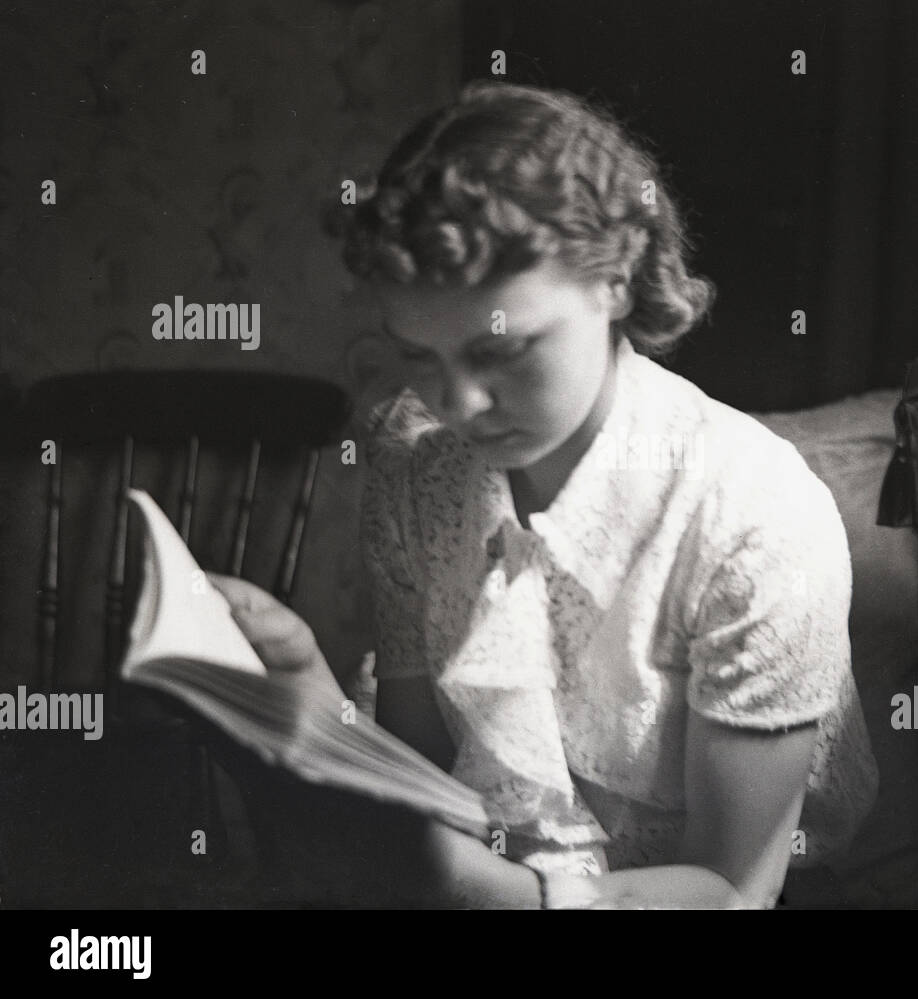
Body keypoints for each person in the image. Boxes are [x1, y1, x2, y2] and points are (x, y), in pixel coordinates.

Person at [212, 80, 877, 909]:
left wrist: (494, 893)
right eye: (420, 354)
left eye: (505, 350)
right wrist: (311, 695)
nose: (457, 403)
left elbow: (734, 889)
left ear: (618, 282)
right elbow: (427, 775)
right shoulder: (415, 461)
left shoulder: (756, 516)